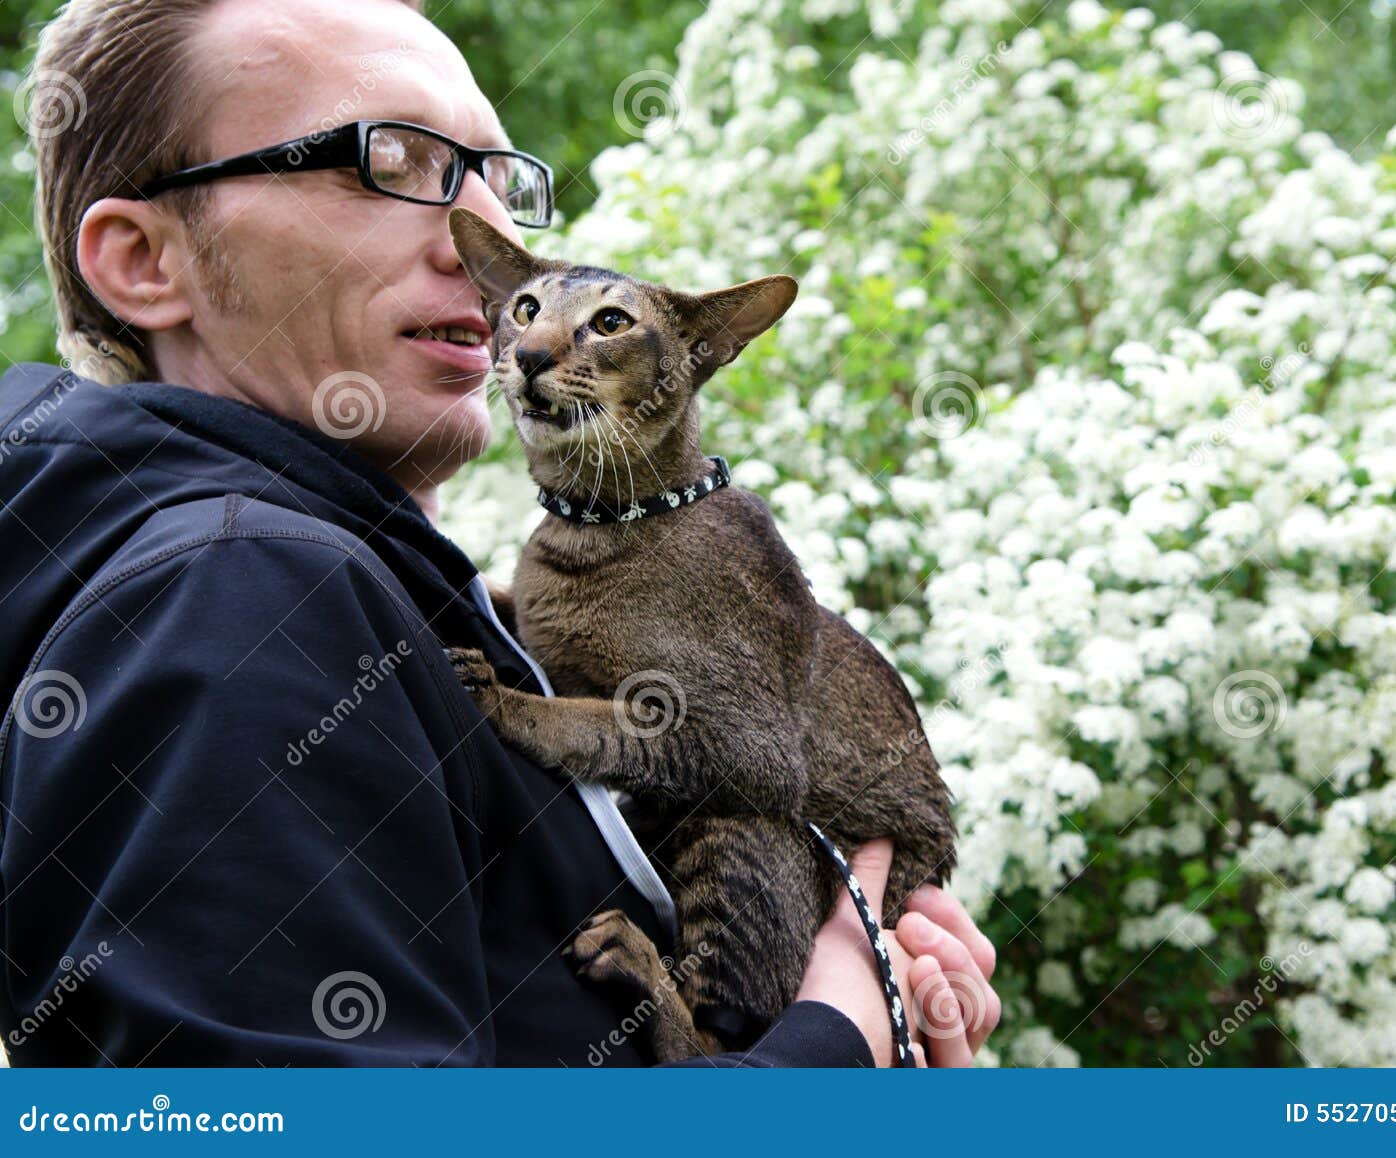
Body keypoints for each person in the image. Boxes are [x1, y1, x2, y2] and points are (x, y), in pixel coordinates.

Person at [0, 0, 999, 1066]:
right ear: (145, 262)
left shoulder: (327, 595)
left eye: (495, 175)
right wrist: (841, 1033)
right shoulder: (234, 597)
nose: (494, 238)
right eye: (388, 159)